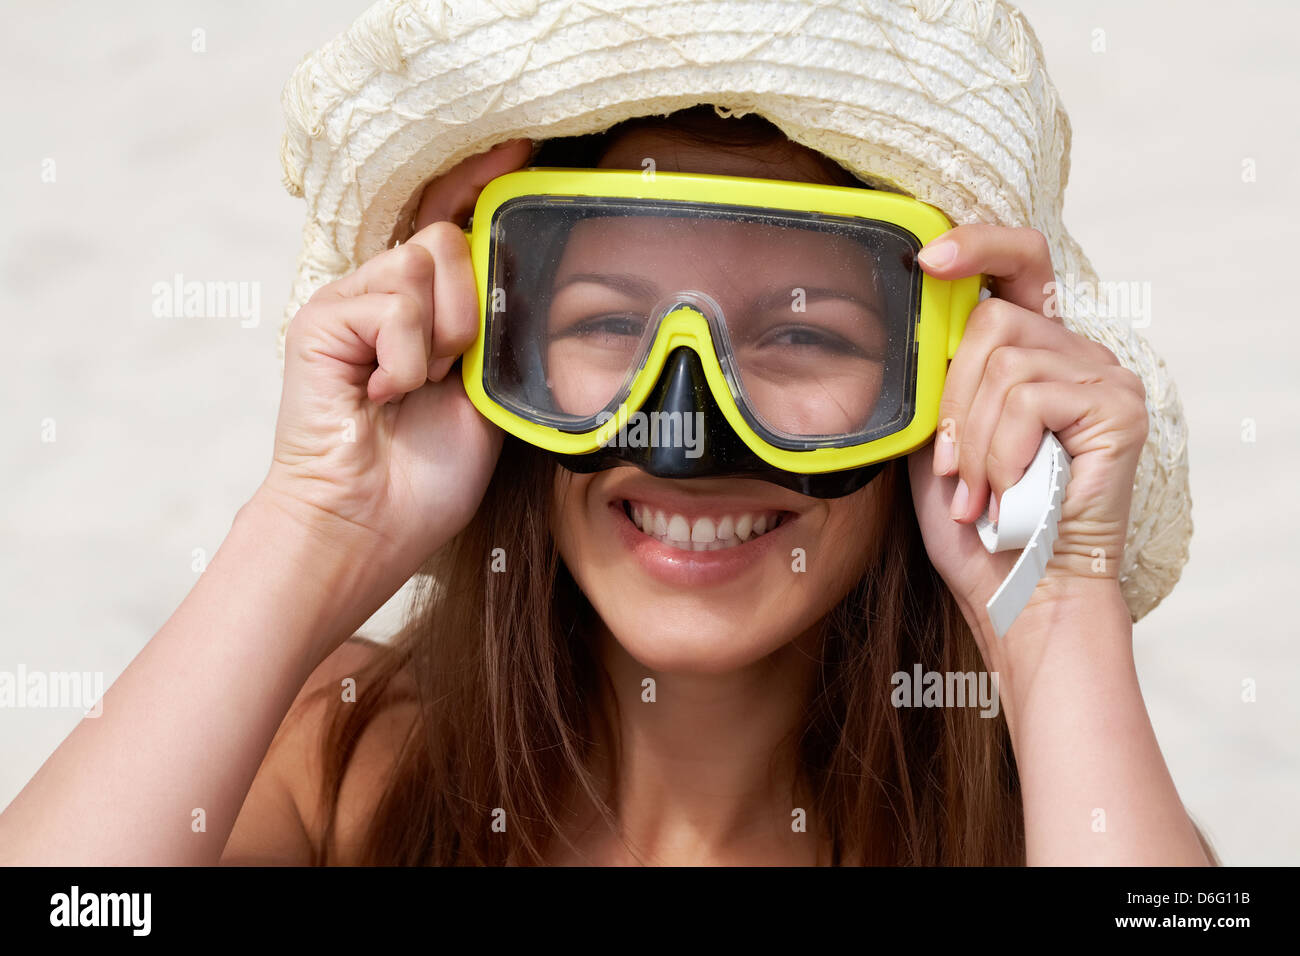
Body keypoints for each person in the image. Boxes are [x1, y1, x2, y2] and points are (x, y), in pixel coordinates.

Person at [0, 0, 1210, 866]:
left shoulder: (1048, 816)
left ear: (945, 379)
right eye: (610, 322)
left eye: (799, 336)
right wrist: (312, 524)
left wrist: (1055, 605)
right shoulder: (339, 759)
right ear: (493, 346)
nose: (686, 427)